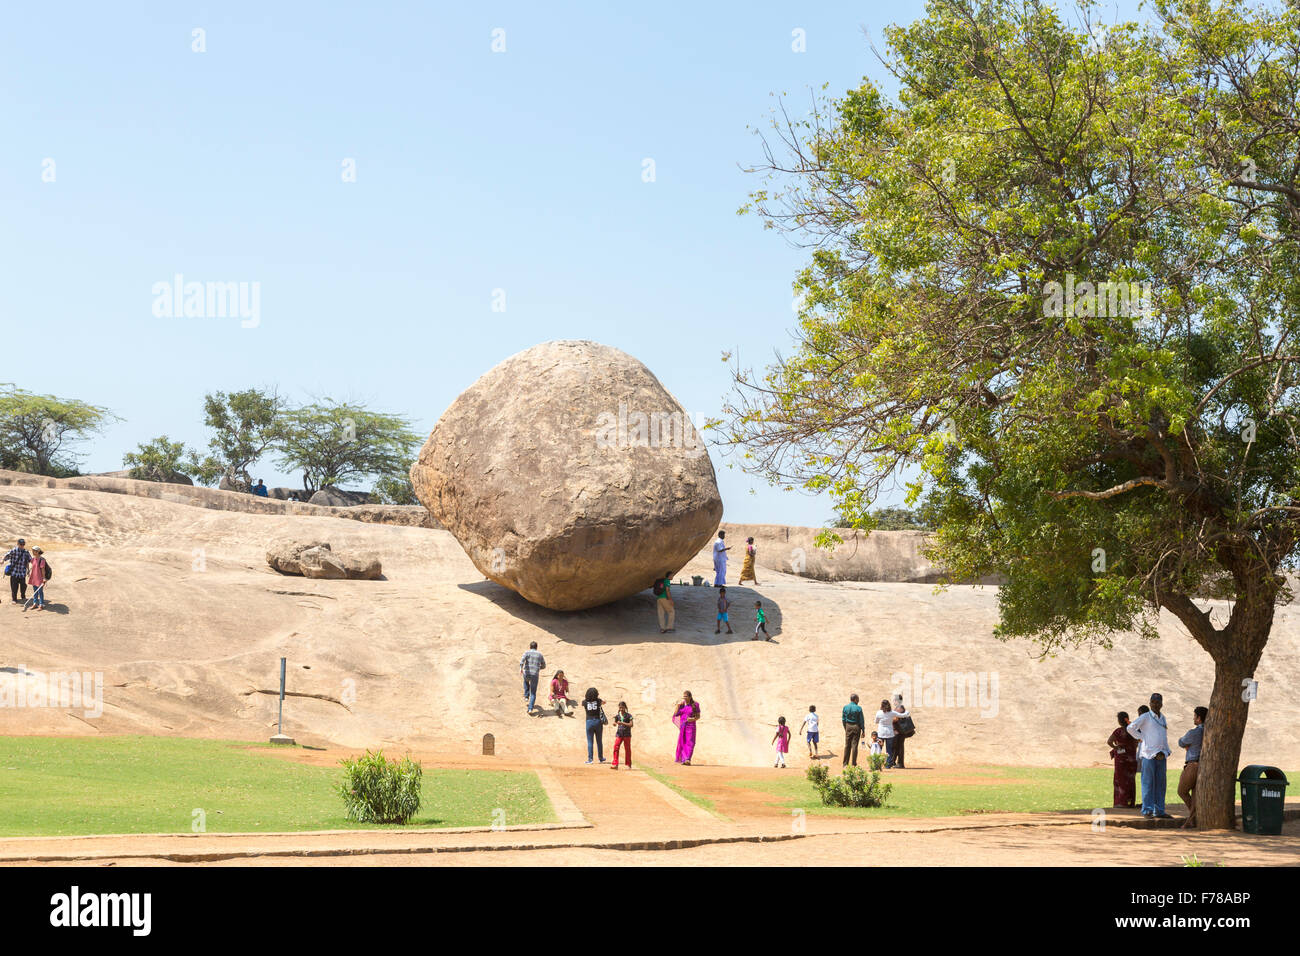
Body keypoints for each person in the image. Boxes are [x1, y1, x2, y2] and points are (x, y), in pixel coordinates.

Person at [1126, 692, 1173, 819]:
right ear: (1150, 703)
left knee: (1161, 784)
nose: (1155, 704)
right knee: (1147, 783)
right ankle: (1147, 810)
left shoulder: (1163, 718)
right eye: (1153, 702)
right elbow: (1130, 728)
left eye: (1158, 702)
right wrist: (1142, 737)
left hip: (1161, 755)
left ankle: (1159, 811)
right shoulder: (1146, 717)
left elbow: (1163, 735)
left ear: (1161, 704)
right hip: (1148, 755)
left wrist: (1166, 751)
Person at [1177, 706, 1208, 828]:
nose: (1193, 718)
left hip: (1192, 765)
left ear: (1199, 718)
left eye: (1195, 716)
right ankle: (1192, 818)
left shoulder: (1194, 732)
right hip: (1203, 766)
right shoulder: (1208, 731)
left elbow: (1181, 742)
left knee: (1182, 791)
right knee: (1195, 794)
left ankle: (1193, 816)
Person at [1107, 712, 1139, 808]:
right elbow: (1137, 742)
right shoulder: (1133, 730)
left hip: (1120, 759)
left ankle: (1120, 802)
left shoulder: (1118, 731)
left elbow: (1109, 741)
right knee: (1130, 779)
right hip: (1131, 758)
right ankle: (1130, 802)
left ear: (1119, 721)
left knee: (1120, 779)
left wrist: (1116, 747)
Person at [673, 691, 700, 765]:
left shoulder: (695, 705)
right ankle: (684, 759)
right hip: (683, 727)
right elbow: (676, 714)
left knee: (690, 742)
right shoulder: (682, 705)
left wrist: (692, 719)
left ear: (690, 697)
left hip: (691, 727)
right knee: (683, 742)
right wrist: (677, 706)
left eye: (686, 696)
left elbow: (698, 716)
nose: (684, 698)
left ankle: (688, 759)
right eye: (683, 697)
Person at [519, 642, 546, 715]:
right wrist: (538, 668)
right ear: (536, 647)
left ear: (530, 646)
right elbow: (544, 665)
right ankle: (530, 709)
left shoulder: (526, 652)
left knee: (525, 681)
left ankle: (526, 696)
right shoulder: (540, 654)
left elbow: (522, 661)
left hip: (526, 673)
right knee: (533, 692)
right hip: (535, 674)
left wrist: (521, 668)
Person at [582, 687, 606, 764]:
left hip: (589, 722)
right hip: (598, 721)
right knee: (599, 741)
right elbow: (604, 702)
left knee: (590, 741)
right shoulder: (598, 701)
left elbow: (583, 703)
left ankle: (590, 759)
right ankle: (601, 758)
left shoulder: (584, 702)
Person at [4, 538, 31, 604]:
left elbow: (28, 561)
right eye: (21, 544)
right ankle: (14, 599)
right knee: (14, 587)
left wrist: (28, 570)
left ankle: (23, 596)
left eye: (23, 544)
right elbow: (6, 556)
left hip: (22, 572)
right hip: (14, 572)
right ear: (18, 544)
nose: (22, 546)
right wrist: (2, 560)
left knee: (23, 586)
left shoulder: (26, 552)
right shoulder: (14, 550)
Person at [842, 693, 866, 767]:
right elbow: (861, 720)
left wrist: (845, 727)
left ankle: (845, 764)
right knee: (854, 745)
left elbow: (843, 719)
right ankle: (853, 764)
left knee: (847, 745)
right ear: (855, 699)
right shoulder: (858, 708)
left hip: (848, 726)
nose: (858, 700)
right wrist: (863, 730)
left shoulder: (845, 707)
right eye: (858, 699)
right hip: (856, 726)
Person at [874, 699, 899, 769]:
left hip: (881, 732)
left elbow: (876, 721)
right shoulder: (891, 713)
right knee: (889, 750)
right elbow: (899, 716)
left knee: (879, 749)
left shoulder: (879, 712)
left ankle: (877, 764)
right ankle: (888, 765)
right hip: (889, 733)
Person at [25, 547, 49, 611]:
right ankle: (35, 603)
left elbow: (43, 570)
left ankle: (41, 604)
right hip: (34, 577)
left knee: (40, 592)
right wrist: (28, 571)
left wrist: (44, 578)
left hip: (40, 578)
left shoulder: (42, 560)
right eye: (32, 551)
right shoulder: (33, 559)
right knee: (35, 591)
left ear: (37, 551)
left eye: (33, 551)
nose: (32, 552)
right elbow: (33, 566)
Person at [611, 701, 633, 769]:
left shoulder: (629, 716)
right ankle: (615, 764)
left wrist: (622, 723)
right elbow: (615, 723)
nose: (621, 709)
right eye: (620, 708)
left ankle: (628, 764)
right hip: (619, 734)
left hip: (627, 734)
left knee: (627, 749)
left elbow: (631, 724)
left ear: (625, 708)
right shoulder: (617, 716)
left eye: (622, 708)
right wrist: (614, 724)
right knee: (616, 747)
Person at [891, 694, 910, 769]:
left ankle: (900, 763)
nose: (894, 701)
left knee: (898, 747)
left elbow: (896, 718)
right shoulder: (899, 708)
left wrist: (888, 719)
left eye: (895, 700)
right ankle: (894, 762)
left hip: (898, 732)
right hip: (898, 731)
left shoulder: (899, 708)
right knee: (897, 747)